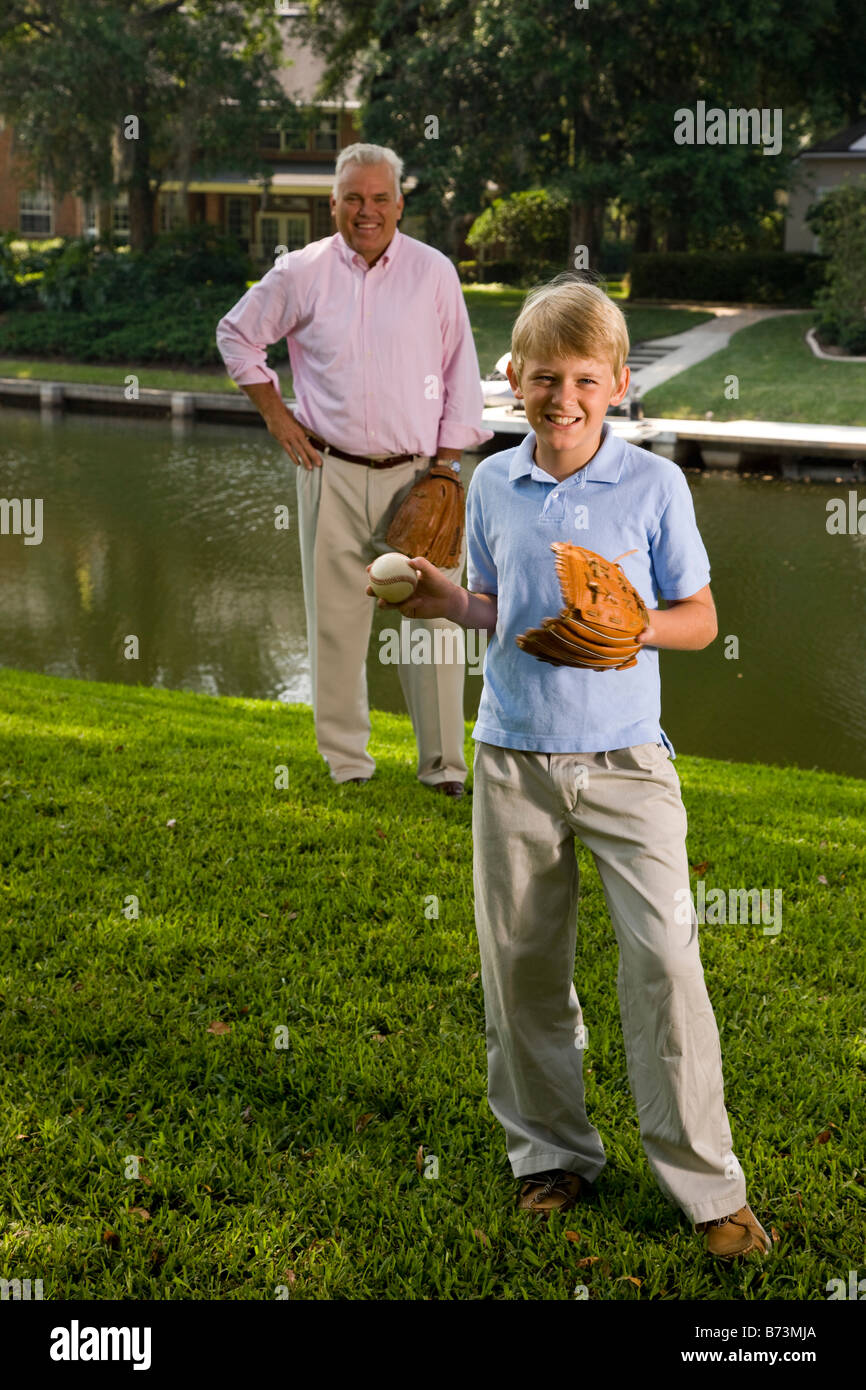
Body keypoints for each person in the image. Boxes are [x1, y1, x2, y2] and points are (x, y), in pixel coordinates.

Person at [367, 274, 772, 1261]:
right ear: (514, 378)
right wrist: (439, 598)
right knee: (520, 966)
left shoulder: (652, 487)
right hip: (510, 756)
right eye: (543, 377)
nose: (563, 398)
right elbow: (491, 607)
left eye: (584, 379)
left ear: (617, 382)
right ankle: (548, 1153)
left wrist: (629, 625)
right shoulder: (493, 484)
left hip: (628, 762)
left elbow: (700, 620)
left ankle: (705, 1183)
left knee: (666, 962)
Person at [216, 142, 491, 797]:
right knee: (336, 624)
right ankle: (347, 764)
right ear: (333, 204)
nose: (366, 211)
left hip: (423, 476)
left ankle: (444, 768)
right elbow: (237, 334)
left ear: (400, 204)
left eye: (379, 198)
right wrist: (278, 416)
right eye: (353, 199)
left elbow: (460, 371)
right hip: (329, 471)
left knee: (433, 625)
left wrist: (449, 466)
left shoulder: (435, 272)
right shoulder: (300, 272)